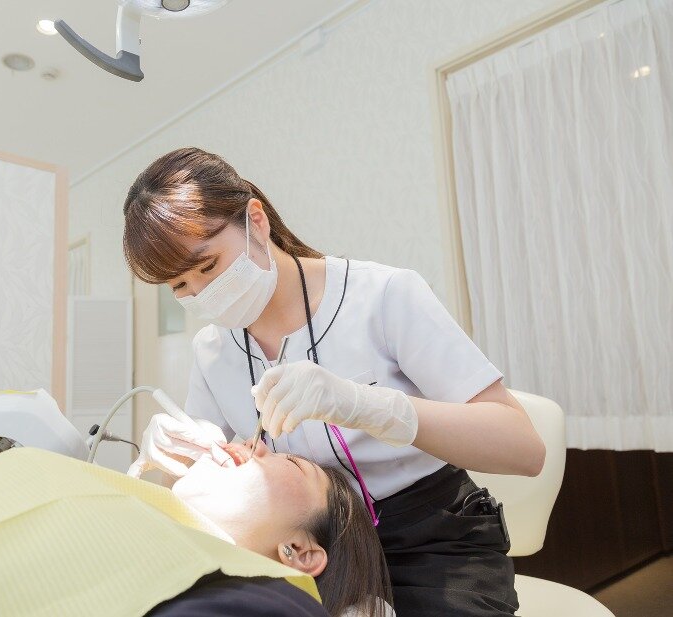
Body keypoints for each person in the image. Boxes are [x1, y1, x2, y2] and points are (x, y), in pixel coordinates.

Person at [122, 147, 547, 616]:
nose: (204, 294)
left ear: (256, 221)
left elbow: (525, 450)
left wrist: (371, 406)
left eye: (207, 266)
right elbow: (204, 506)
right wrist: (176, 458)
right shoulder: (211, 352)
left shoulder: (382, 297)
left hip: (432, 544)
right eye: (180, 286)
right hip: (303, 560)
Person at [0, 442, 392, 617]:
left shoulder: (267, 602)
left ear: (299, 551)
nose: (249, 445)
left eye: (287, 461)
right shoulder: (133, 508)